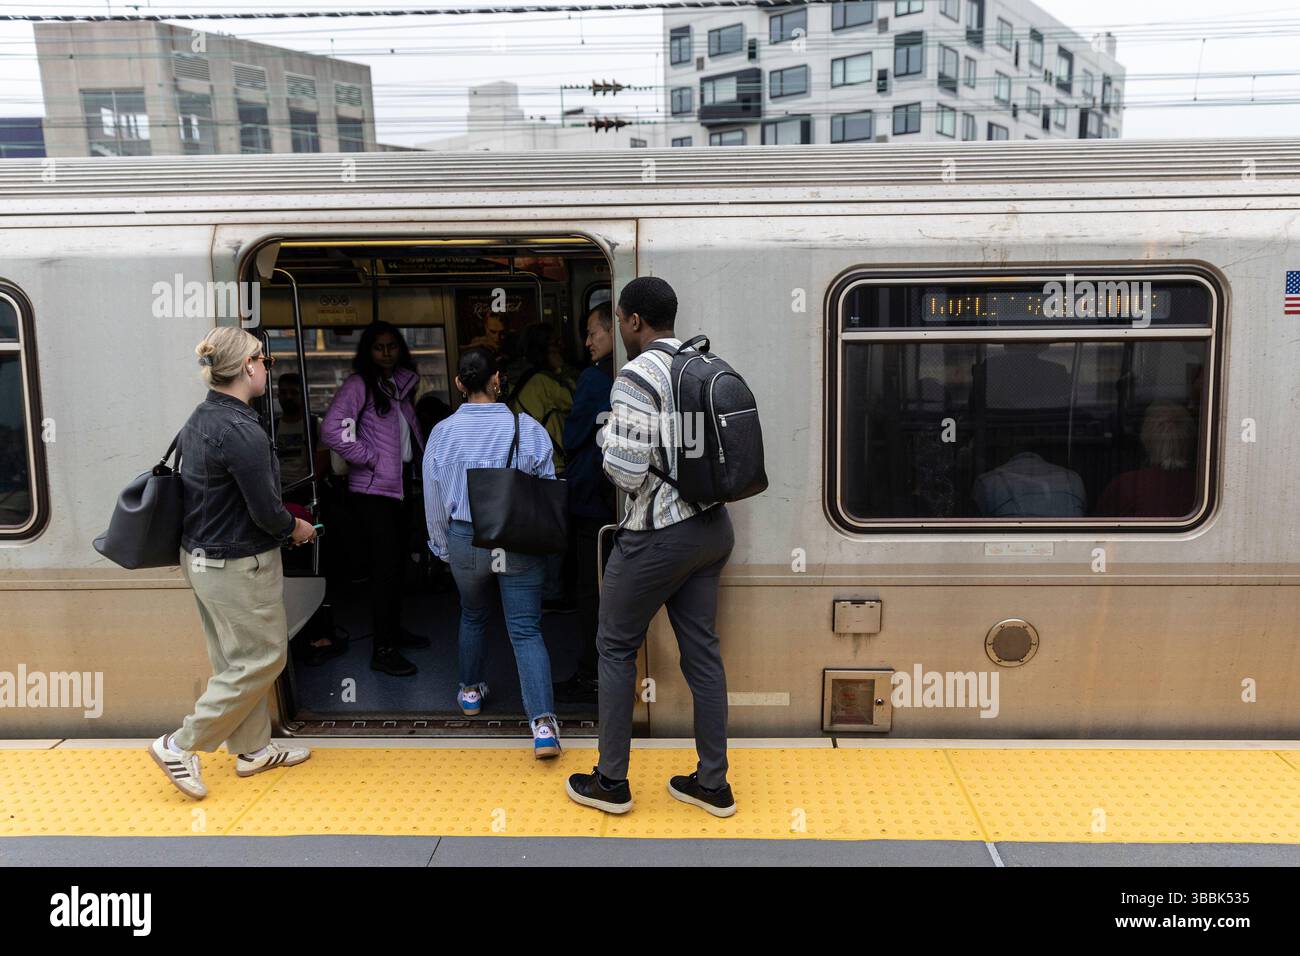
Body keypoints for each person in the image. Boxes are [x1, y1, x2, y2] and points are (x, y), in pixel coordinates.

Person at [565, 276, 737, 818]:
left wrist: (607, 439)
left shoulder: (637, 375)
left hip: (658, 535)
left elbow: (625, 470)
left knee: (615, 648)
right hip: (713, 529)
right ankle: (712, 784)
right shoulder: (704, 364)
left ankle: (611, 782)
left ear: (635, 321)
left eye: (617, 319)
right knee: (703, 654)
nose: (617, 328)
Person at [149, 327, 316, 800]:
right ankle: (179, 744)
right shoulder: (243, 429)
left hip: (199, 557)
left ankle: (252, 750)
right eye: (264, 360)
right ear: (247, 366)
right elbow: (267, 512)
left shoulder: (201, 416)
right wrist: (296, 529)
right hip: (237, 564)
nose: (268, 368)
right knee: (265, 657)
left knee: (232, 661)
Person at [423, 348, 562, 758]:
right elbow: (545, 482)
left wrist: (442, 547)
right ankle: (542, 726)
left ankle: (469, 693)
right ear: (497, 378)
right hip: (517, 538)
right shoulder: (527, 427)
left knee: (472, 614)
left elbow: (433, 499)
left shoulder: (443, 433)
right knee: (525, 629)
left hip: (466, 539)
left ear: (459, 384)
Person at [320, 321, 427, 677]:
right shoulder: (358, 385)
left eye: (392, 346)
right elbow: (332, 429)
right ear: (368, 351)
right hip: (371, 494)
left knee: (396, 568)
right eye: (379, 347)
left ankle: (393, 632)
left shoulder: (399, 384)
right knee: (384, 572)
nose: (386, 352)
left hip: (398, 490)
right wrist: (371, 458)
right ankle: (382, 649)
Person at [553, 301, 616, 704]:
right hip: (617, 501)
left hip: (591, 501)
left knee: (589, 590)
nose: (587, 340)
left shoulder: (594, 379)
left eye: (594, 332)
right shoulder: (634, 373)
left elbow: (573, 436)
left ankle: (591, 673)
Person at [1096, 401, 1196, 517]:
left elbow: (1099, 531)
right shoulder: (1202, 486)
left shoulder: (1125, 486)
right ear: (1189, 440)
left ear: (1146, 439)